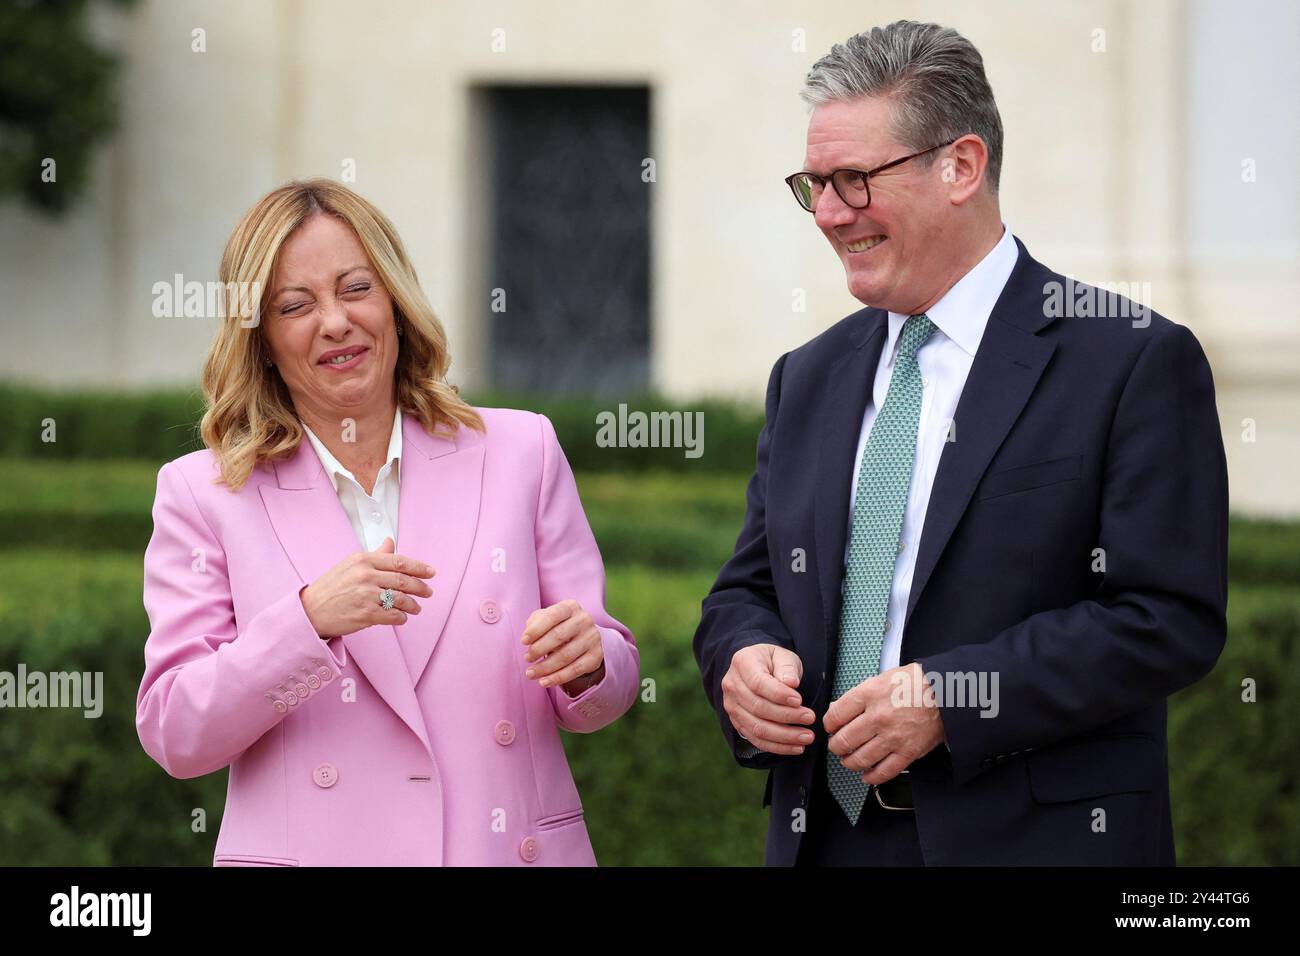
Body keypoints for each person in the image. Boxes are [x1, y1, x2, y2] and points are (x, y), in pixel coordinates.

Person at [693, 20, 1227, 866]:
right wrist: (744, 659)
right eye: (815, 184)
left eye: (855, 179)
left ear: (962, 166)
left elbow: (1168, 618)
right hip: (821, 840)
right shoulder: (807, 375)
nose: (829, 213)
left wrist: (955, 696)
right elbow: (746, 588)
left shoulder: (1130, 358)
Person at [137, 178, 638, 866]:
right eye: (295, 305)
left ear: (396, 303)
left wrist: (589, 666)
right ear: (260, 339)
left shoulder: (523, 451)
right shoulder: (204, 492)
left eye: (355, 288)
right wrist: (308, 621)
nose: (335, 322)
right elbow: (176, 733)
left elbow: (608, 681)